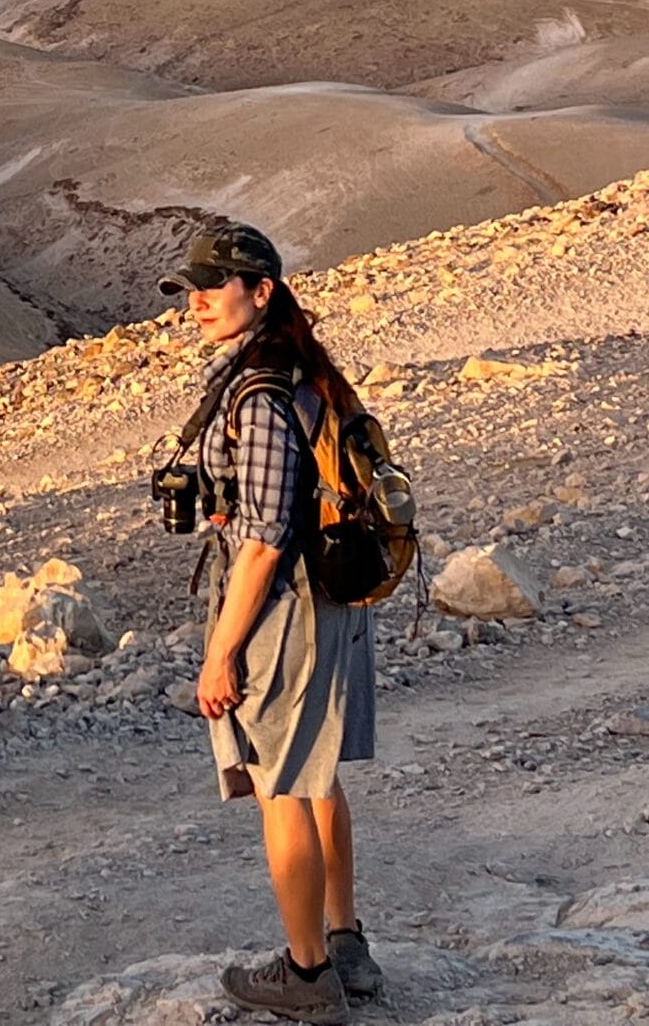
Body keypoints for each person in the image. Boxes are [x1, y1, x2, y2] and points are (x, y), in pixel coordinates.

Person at [158, 223, 382, 1026]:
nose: (199, 302)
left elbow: (260, 537)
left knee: (277, 782)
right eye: (193, 287)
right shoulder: (305, 370)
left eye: (216, 286)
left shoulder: (259, 394)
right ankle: (346, 941)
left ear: (263, 290)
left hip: (284, 607)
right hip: (328, 599)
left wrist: (220, 655)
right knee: (317, 772)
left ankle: (307, 975)